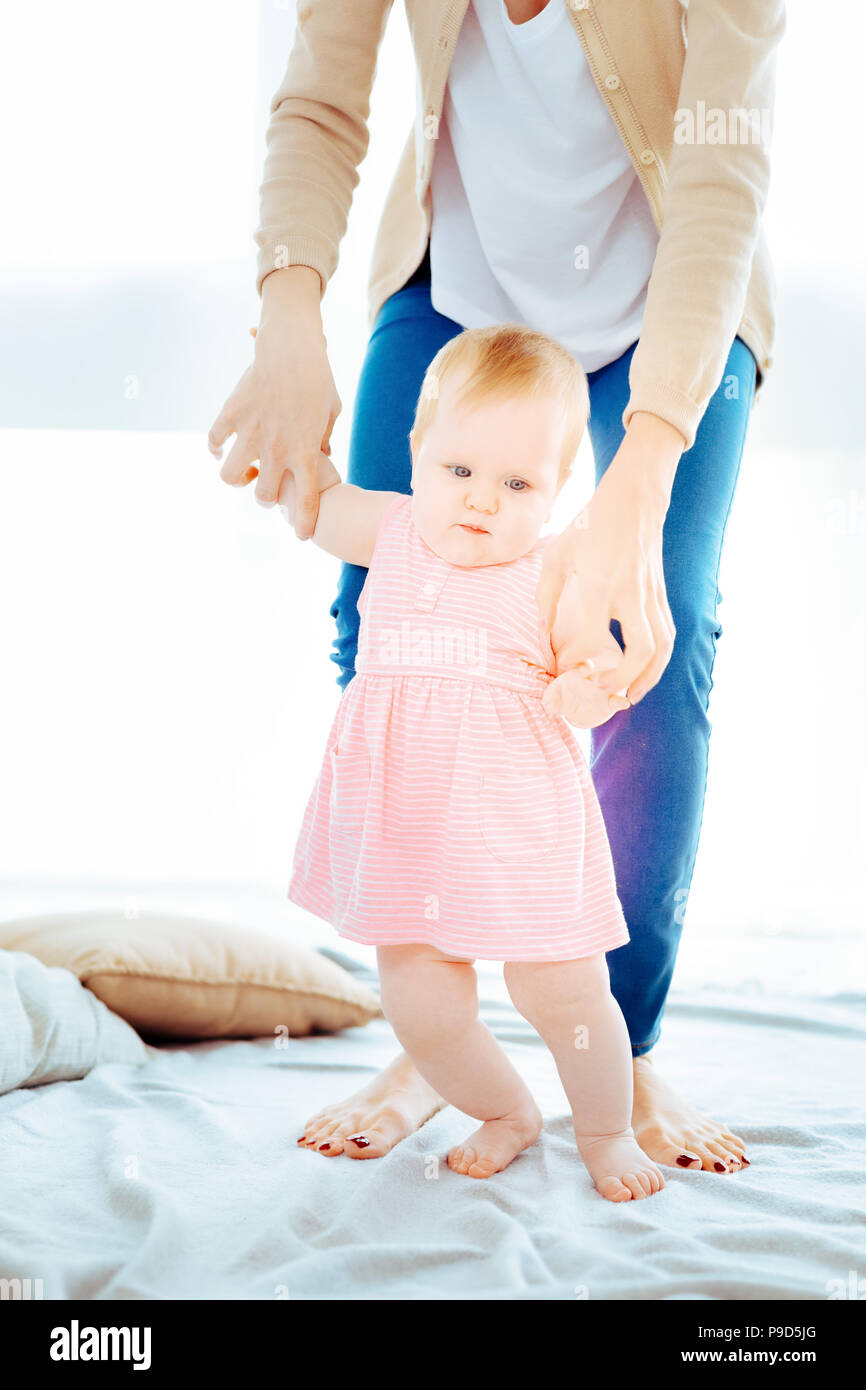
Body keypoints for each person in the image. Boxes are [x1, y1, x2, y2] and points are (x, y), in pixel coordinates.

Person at [208, 0, 785, 1174]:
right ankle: (441, 1020)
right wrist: (286, 314)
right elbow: (319, 101)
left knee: (648, 640)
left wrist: (645, 464)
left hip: (668, 311)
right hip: (453, 296)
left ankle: (614, 1047)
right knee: (378, 612)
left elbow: (722, 170)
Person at [279, 321, 664, 1200]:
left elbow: (583, 669)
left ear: (558, 491)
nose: (482, 501)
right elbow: (311, 504)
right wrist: (287, 450)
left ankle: (605, 1131)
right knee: (420, 1000)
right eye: (459, 470)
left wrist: (589, 690)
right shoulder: (393, 528)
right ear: (417, 451)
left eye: (517, 482)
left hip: (516, 821)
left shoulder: (554, 567)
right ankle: (505, 1111)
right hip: (405, 818)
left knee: (561, 988)